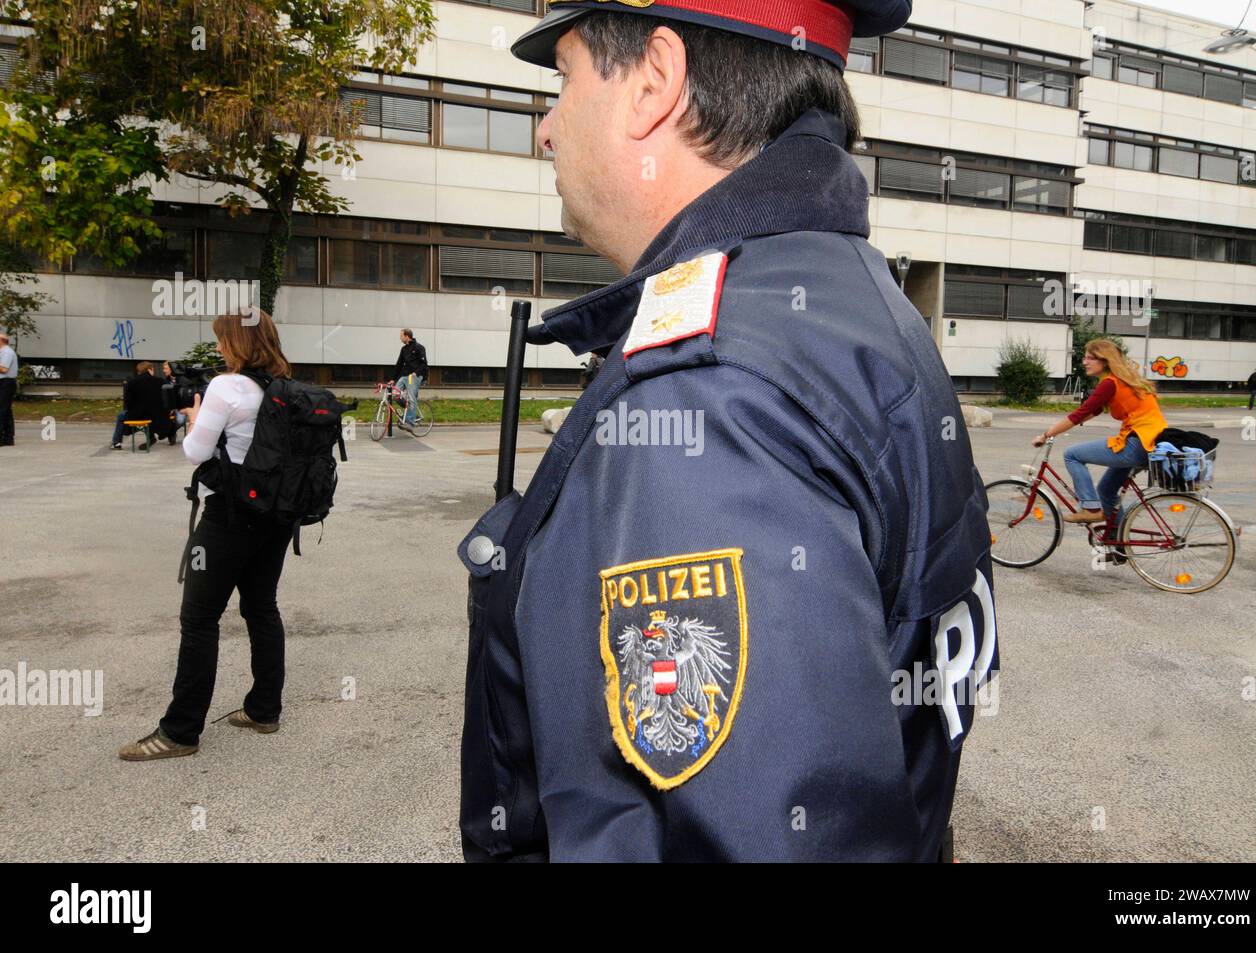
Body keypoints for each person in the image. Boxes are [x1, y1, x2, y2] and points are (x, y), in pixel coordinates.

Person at [458, 0, 996, 862]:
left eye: (562, 80)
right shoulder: (846, 297)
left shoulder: (712, 399)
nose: (546, 129)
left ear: (654, 83)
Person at [119, 309, 295, 761]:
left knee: (198, 621)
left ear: (236, 343)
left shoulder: (226, 386)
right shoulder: (285, 387)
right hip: (276, 516)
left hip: (229, 518)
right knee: (261, 607)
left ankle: (179, 732)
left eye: (222, 340)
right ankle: (264, 710)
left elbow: (195, 452)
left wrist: (195, 416)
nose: (218, 348)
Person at [1032, 340, 1167, 525]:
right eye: (1085, 357)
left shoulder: (1110, 383)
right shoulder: (1122, 380)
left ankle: (1090, 508)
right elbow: (1093, 411)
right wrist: (1068, 425)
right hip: (1148, 442)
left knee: (1072, 454)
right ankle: (1118, 545)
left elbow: (1078, 414)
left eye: (1091, 358)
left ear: (1105, 360)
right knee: (1106, 490)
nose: (1085, 362)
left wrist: (1047, 434)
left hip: (1136, 443)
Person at [110, 361, 170, 450]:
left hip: (137, 415)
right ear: (150, 370)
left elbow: (128, 402)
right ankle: (152, 437)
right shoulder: (161, 381)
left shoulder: (131, 383)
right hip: (157, 416)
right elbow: (166, 399)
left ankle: (116, 442)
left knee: (121, 415)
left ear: (139, 371)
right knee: (147, 415)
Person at [390, 328, 428, 430]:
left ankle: (410, 422)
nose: (400, 338)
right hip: (405, 376)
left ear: (407, 336)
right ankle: (409, 410)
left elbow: (424, 364)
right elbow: (399, 364)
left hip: (414, 376)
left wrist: (416, 373)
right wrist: (393, 379)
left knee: (411, 398)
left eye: (401, 336)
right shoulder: (404, 349)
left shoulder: (419, 348)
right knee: (395, 394)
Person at [161, 360, 190, 440]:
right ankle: (167, 432)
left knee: (180, 420)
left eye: (166, 369)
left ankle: (170, 433)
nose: (164, 371)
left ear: (172, 369)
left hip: (182, 406)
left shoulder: (184, 380)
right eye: (164, 369)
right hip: (169, 406)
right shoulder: (164, 381)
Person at [0, 332, 16, 447]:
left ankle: (3, 438)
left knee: (2, 410)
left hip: (6, 383)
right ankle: (8, 438)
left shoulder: (7, 352)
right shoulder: (3, 351)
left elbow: (4, 369)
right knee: (6, 410)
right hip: (4, 382)